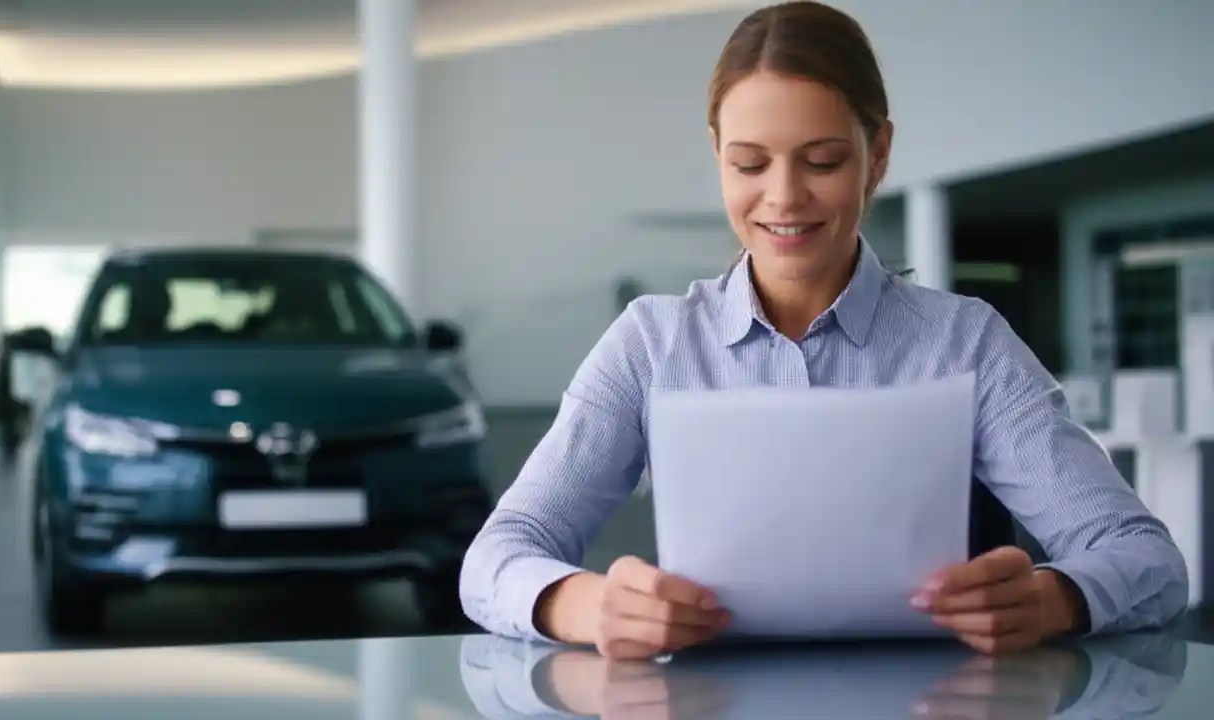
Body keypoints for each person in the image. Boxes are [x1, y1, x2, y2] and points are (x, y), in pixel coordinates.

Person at [459, 1, 1189, 659]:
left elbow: (1145, 558)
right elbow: (497, 557)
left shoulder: (967, 342)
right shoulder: (650, 344)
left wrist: (1051, 598)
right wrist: (583, 604)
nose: (783, 197)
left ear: (879, 155)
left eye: (823, 161)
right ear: (717, 153)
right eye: (750, 163)